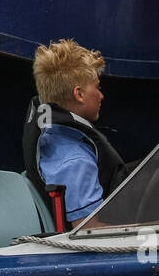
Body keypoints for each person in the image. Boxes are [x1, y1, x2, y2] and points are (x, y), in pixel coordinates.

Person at [22, 39, 128, 227]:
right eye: (97, 87)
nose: (101, 95)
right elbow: (88, 230)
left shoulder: (52, 139)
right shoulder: (75, 160)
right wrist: (151, 229)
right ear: (79, 94)